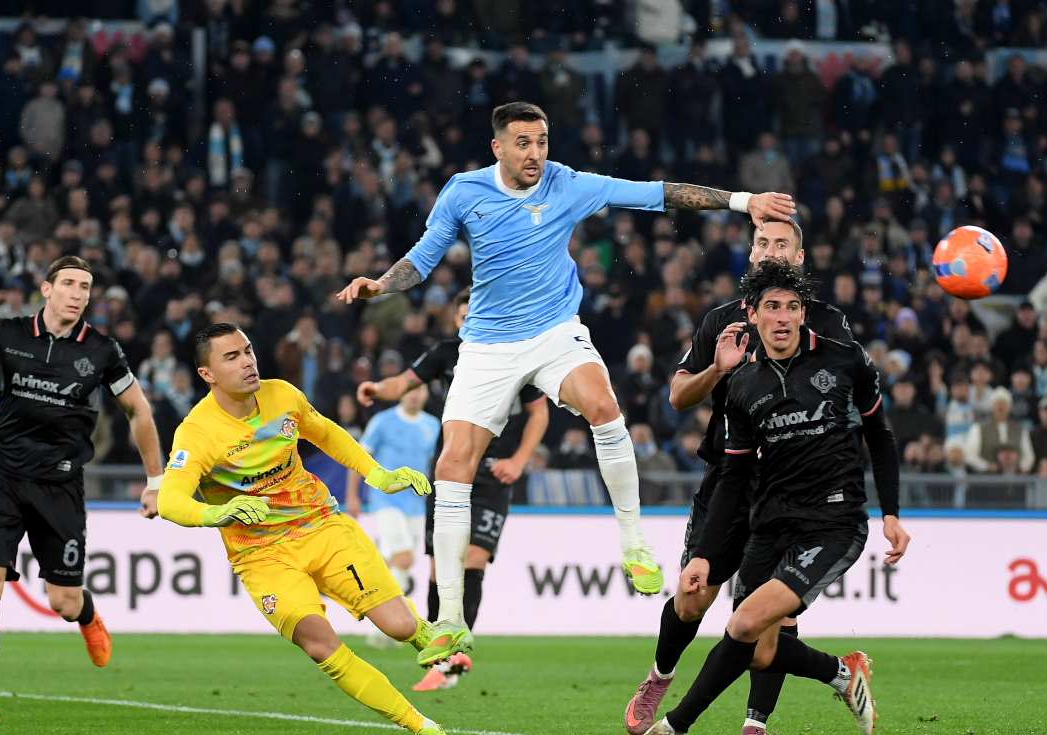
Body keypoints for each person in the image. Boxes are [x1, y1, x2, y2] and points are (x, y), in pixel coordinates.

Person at [338, 101, 795, 667]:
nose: (535, 153)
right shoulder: (462, 192)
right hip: (487, 344)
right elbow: (423, 259)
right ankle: (451, 619)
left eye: (542, 141)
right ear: (498, 148)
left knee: (604, 405)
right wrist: (379, 286)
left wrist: (744, 201)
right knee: (453, 466)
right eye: (523, 143)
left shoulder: (569, 184)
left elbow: (655, 193)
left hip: (555, 332)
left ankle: (634, 545)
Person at [624, 261, 909, 735]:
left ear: (804, 314)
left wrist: (891, 512)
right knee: (757, 648)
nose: (783, 318)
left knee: (747, 620)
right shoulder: (740, 385)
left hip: (832, 521)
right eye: (772, 308)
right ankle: (843, 673)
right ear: (751, 315)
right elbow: (733, 477)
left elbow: (880, 436)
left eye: (793, 308)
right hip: (769, 522)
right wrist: (706, 557)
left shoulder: (847, 361)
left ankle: (670, 730)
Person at [156, 323, 453, 735]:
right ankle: (424, 729)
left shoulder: (282, 395)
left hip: (321, 525)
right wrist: (216, 513)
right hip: (261, 555)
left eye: (248, 350)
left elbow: (325, 432)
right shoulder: (197, 432)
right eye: (231, 357)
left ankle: (425, 633)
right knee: (319, 644)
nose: (247, 362)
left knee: (399, 626)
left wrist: (377, 475)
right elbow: (169, 500)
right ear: (207, 375)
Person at [0, 256, 164, 727]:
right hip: (3, 474)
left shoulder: (101, 350)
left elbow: (139, 411)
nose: (78, 293)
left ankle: (88, 614)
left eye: (86, 287)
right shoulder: (6, 333)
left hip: (59, 483)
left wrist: (156, 481)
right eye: (70, 284)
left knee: (63, 602)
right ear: (47, 288)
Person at [355, 288, 549, 690]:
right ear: (457, 320)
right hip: (450, 472)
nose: (466, 321)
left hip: (494, 474)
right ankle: (439, 661)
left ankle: (455, 660)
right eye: (461, 316)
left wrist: (519, 460)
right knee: (439, 566)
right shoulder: (446, 353)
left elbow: (539, 414)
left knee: (473, 559)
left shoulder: (516, 353)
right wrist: (377, 388)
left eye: (473, 313)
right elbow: (402, 384)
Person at [345, 383, 440, 649]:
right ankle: (386, 628)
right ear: (401, 392)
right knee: (404, 556)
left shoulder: (432, 426)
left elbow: (436, 463)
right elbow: (359, 457)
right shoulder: (382, 421)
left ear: (425, 393)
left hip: (416, 504)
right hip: (385, 500)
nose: (414, 393)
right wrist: (353, 495)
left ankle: (380, 621)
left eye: (419, 389)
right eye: (410, 389)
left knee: (394, 564)